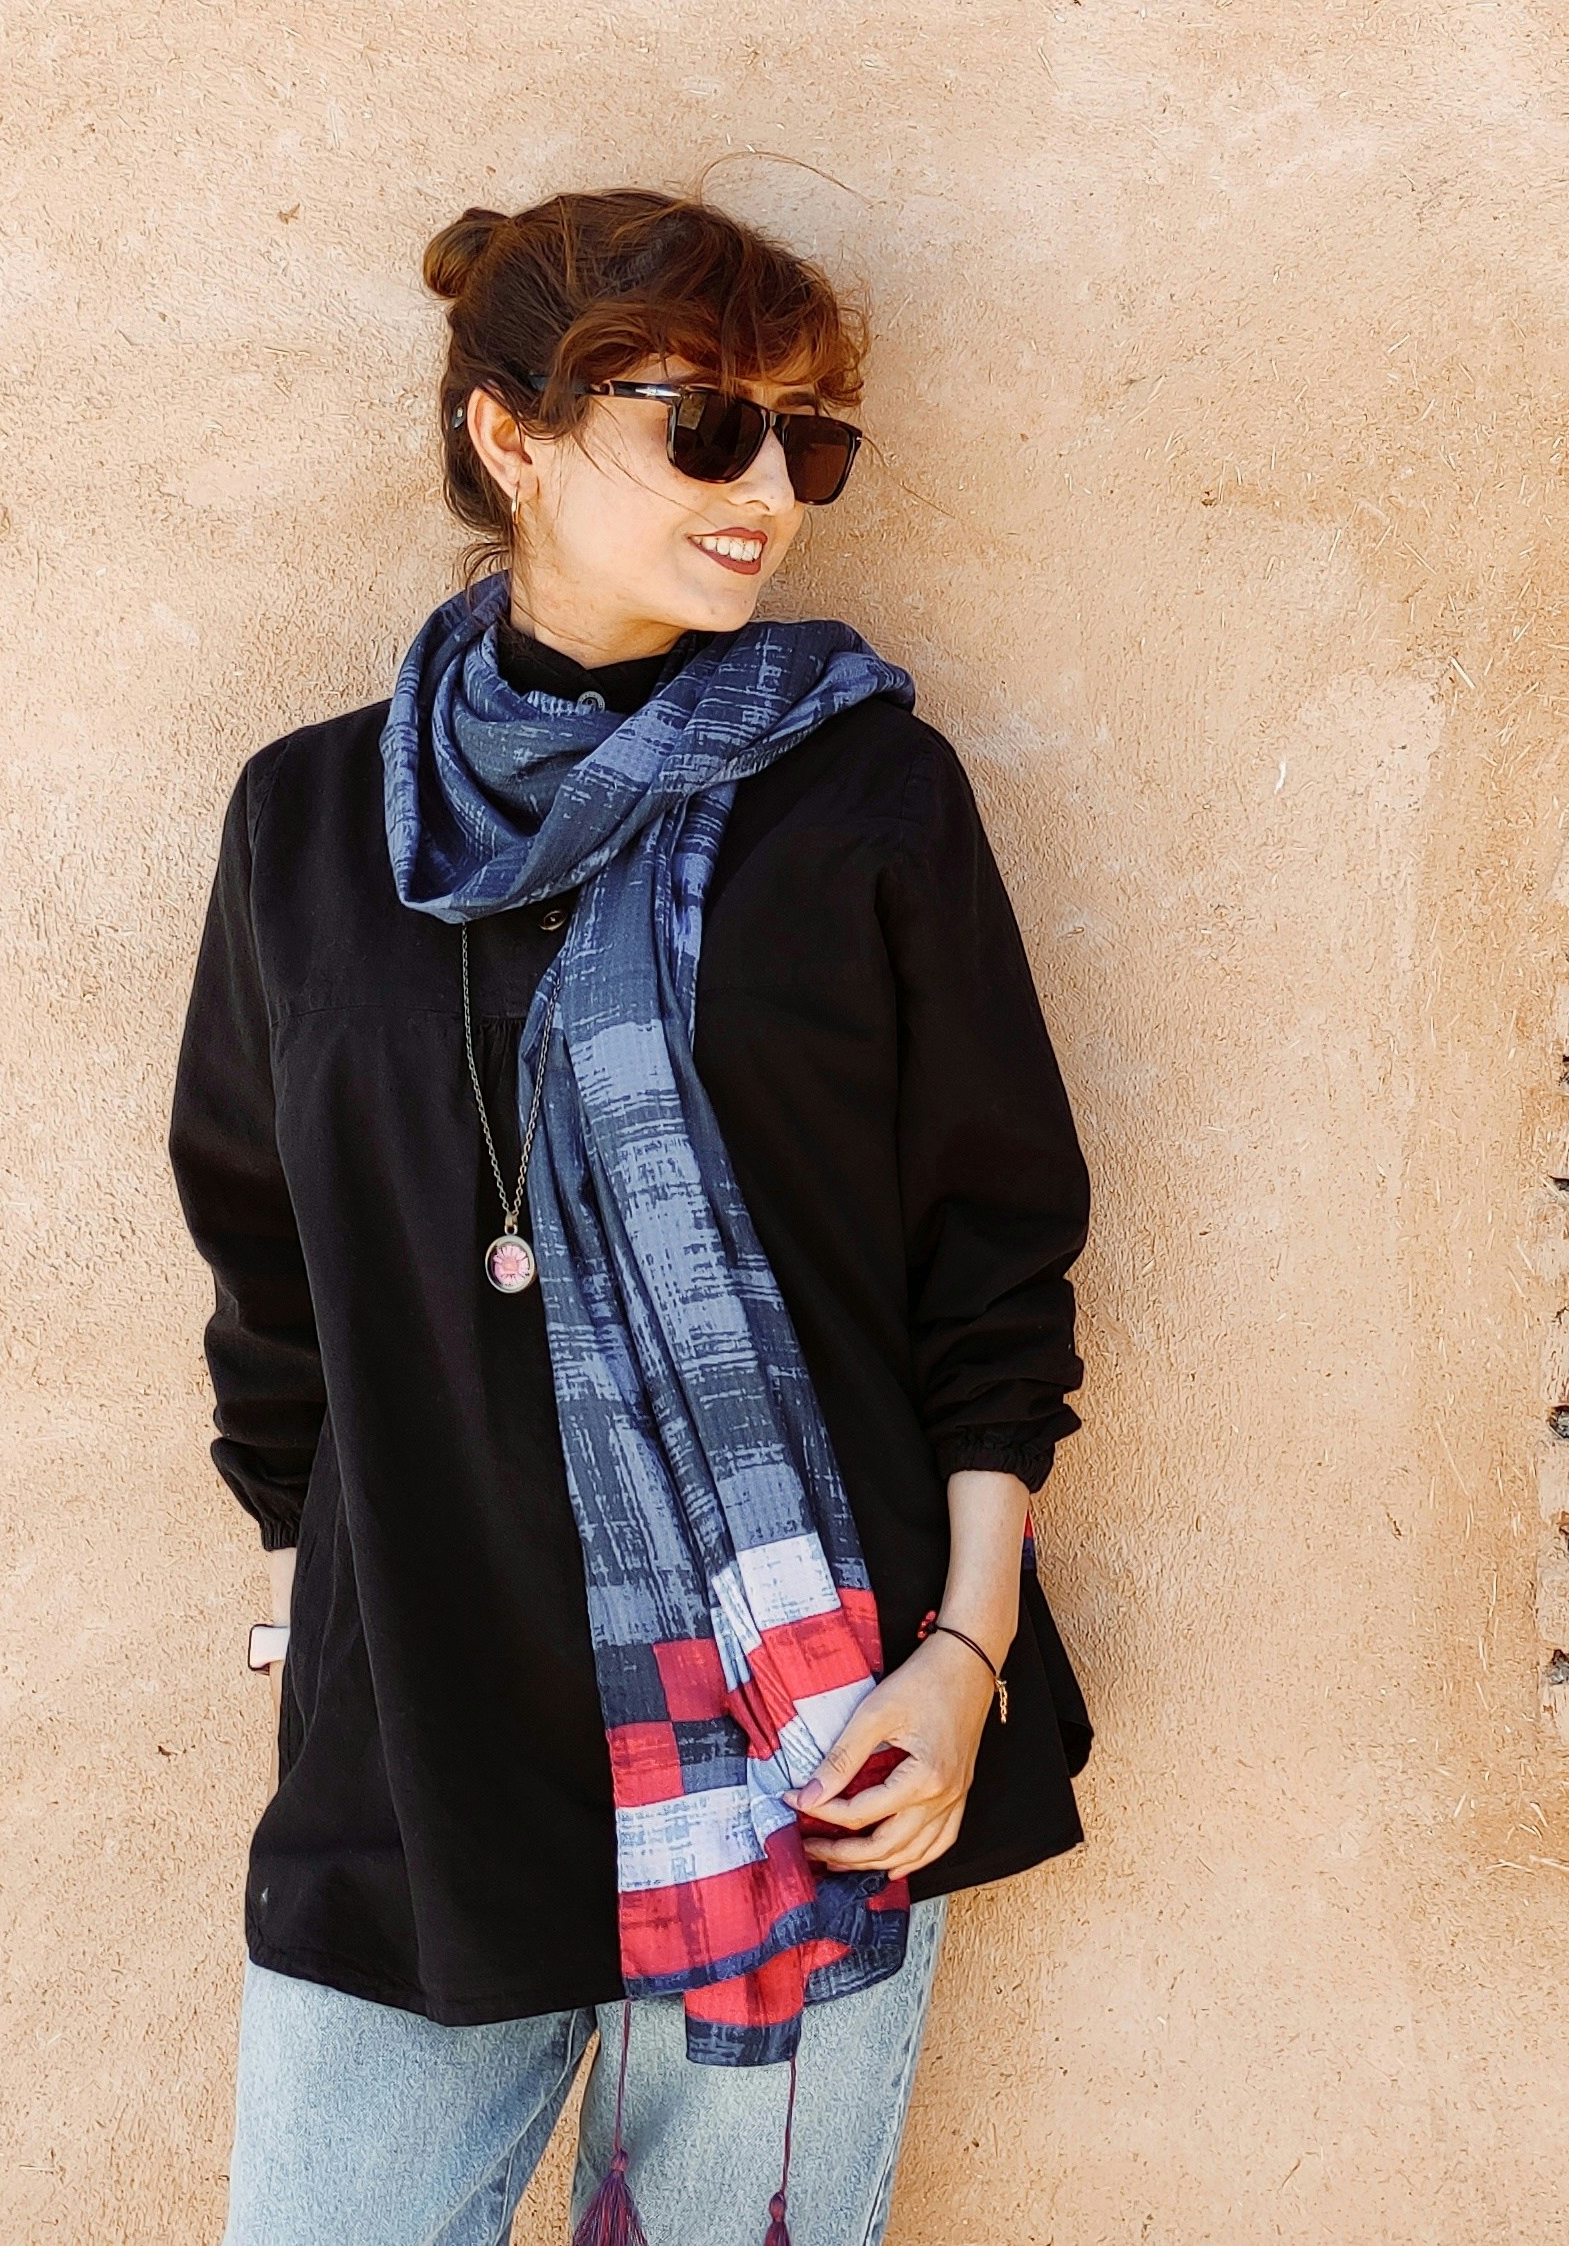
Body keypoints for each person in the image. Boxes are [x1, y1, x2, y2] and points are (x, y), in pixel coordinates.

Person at [171, 189, 1094, 2246]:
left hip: (814, 1731)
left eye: (809, 442)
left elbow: (992, 1262)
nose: (770, 489)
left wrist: (960, 1652)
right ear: (512, 436)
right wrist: (310, 1607)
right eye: (704, 428)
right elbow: (266, 1266)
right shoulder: (307, 827)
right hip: (419, 1734)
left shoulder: (863, 800)